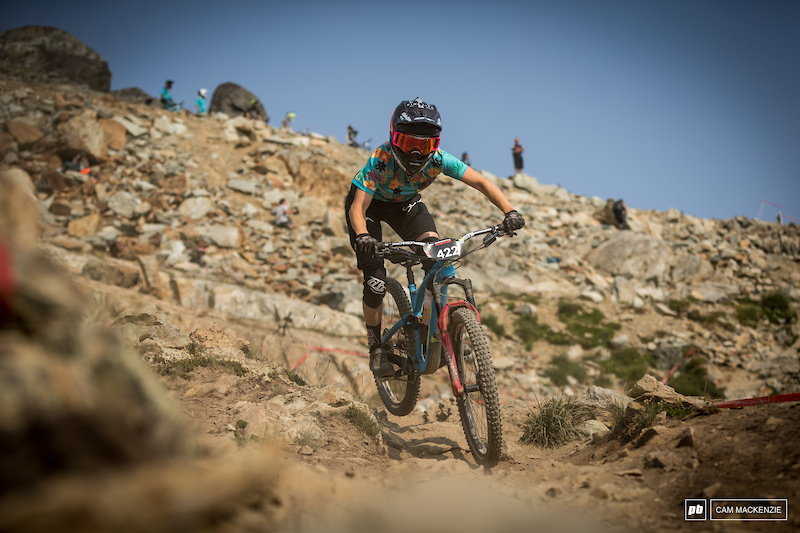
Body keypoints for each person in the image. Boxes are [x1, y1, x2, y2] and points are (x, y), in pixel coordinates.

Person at [345, 97, 525, 378]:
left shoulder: (439, 160)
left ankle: (431, 331)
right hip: (369, 207)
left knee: (437, 254)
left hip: (405, 205)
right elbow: (358, 208)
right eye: (408, 143)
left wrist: (510, 211)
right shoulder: (380, 160)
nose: (417, 153)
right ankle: (376, 345)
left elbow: (482, 182)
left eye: (425, 145)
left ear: (436, 145)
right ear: (393, 139)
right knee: (376, 282)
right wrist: (363, 236)